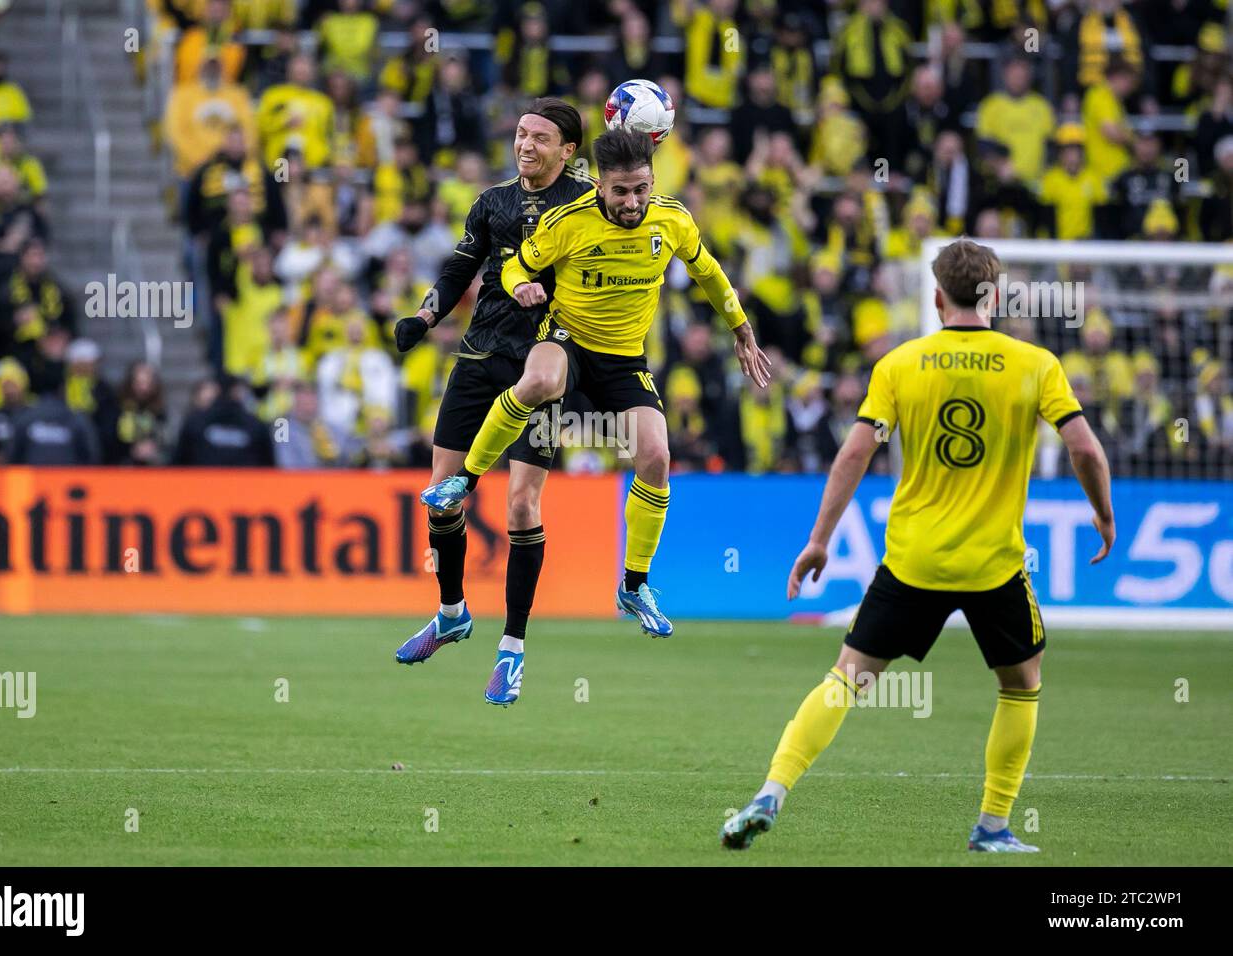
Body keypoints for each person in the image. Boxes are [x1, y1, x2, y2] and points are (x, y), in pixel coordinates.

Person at [722, 239, 1115, 853]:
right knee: (1021, 684)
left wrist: (819, 540)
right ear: (993, 297)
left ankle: (772, 789)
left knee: (847, 678)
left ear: (936, 298)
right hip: (993, 565)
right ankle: (992, 825)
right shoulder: (1036, 364)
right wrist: (1102, 513)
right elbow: (1086, 448)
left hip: (912, 560)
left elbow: (855, 451)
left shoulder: (900, 365)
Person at [420, 128, 771, 650]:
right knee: (538, 379)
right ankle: (463, 483)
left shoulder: (672, 219)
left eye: (641, 189)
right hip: (566, 337)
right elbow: (518, 259)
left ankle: (634, 585)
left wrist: (741, 328)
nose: (633, 202)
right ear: (601, 186)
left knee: (656, 454)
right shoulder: (569, 220)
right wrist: (520, 284)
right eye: (622, 191)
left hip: (624, 358)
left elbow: (710, 273)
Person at [391, 98, 595, 708]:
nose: (525, 145)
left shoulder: (587, 208)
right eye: (520, 134)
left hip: (544, 358)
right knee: (440, 493)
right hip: (479, 357)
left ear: (568, 151)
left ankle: (512, 650)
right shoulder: (493, 202)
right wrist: (427, 315)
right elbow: (459, 268)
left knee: (520, 505)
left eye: (540, 137)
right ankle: (451, 612)